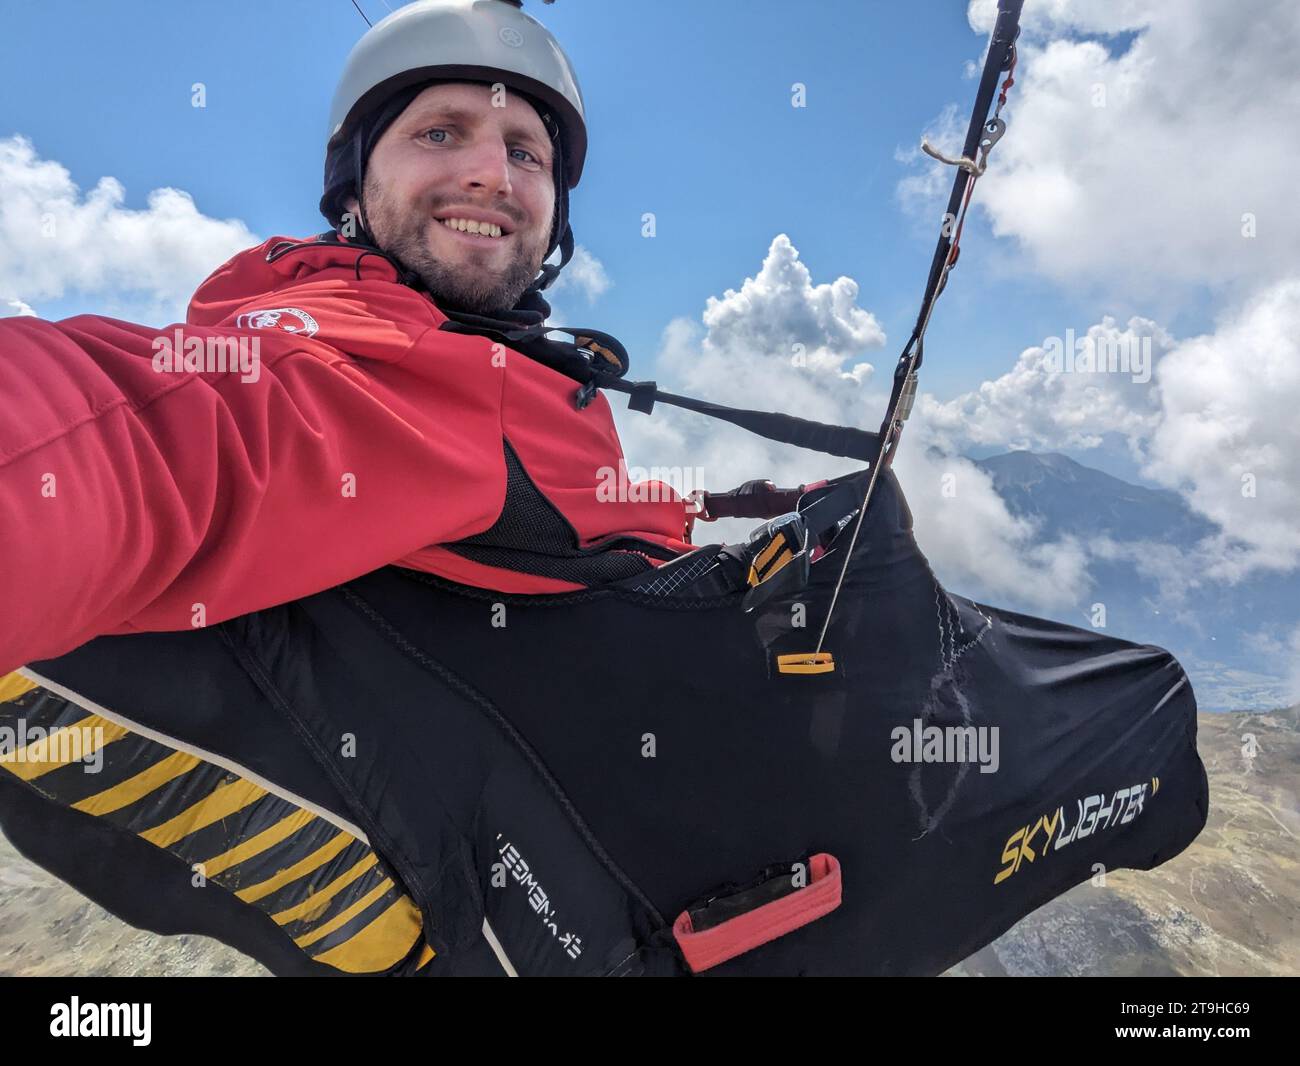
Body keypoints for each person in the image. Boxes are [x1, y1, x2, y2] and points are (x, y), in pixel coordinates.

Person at [0, 0, 692, 679]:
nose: (494, 175)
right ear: (355, 188)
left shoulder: (511, 372)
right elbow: (155, 431)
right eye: (440, 134)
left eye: (524, 152)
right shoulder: (362, 356)